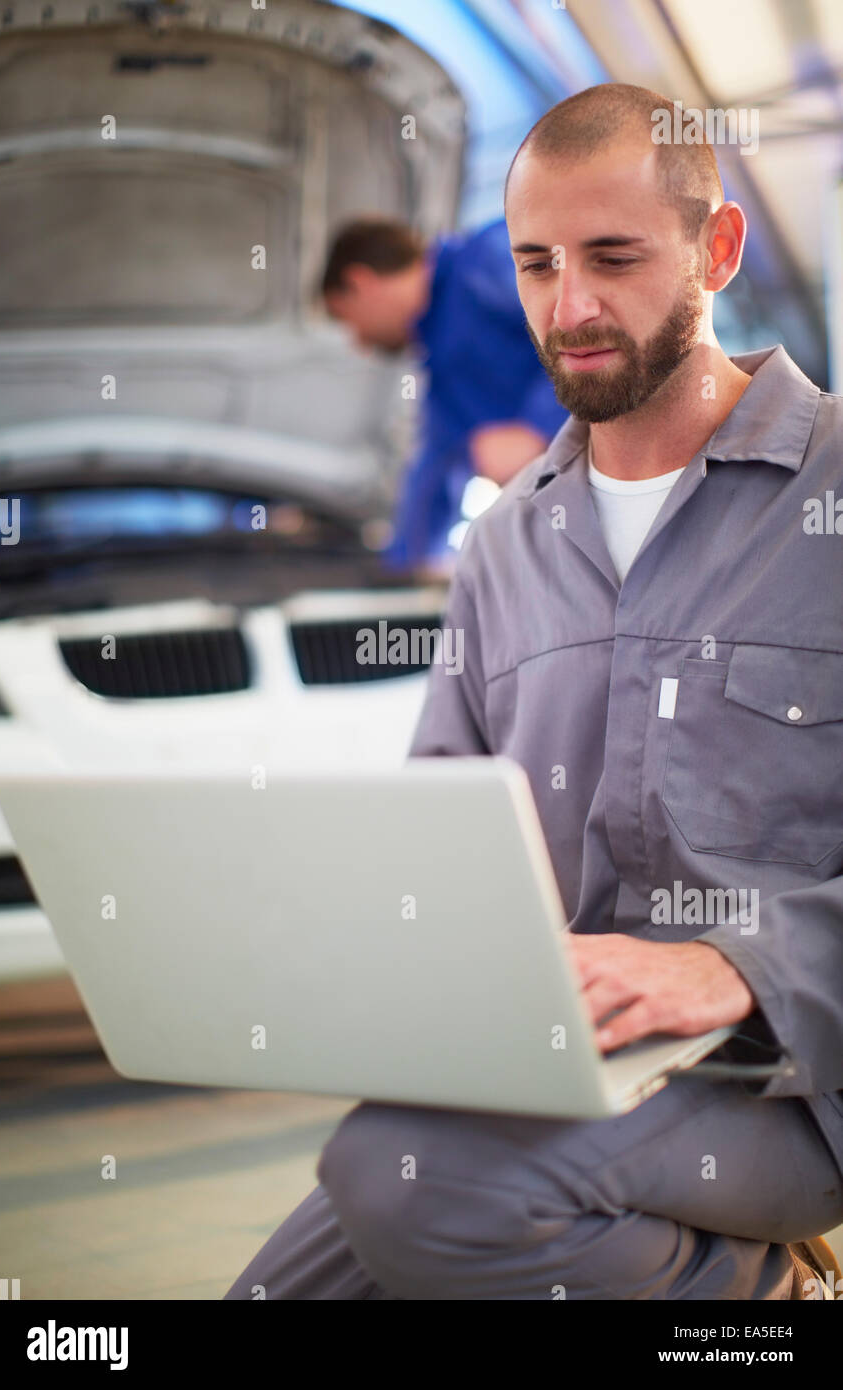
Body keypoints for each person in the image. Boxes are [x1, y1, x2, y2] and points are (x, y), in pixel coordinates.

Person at [226, 83, 843, 1300]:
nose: (569, 308)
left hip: (785, 1074)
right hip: (565, 1068)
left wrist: (738, 966)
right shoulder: (504, 544)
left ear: (715, 248)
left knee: (417, 1179)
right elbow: (440, 830)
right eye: (534, 265)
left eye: (613, 258)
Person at [321, 216, 569, 571]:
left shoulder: (491, 258)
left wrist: (535, 428)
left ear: (360, 283)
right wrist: (405, 573)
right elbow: (433, 478)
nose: (359, 343)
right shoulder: (442, 369)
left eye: (347, 320)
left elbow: (584, 327)